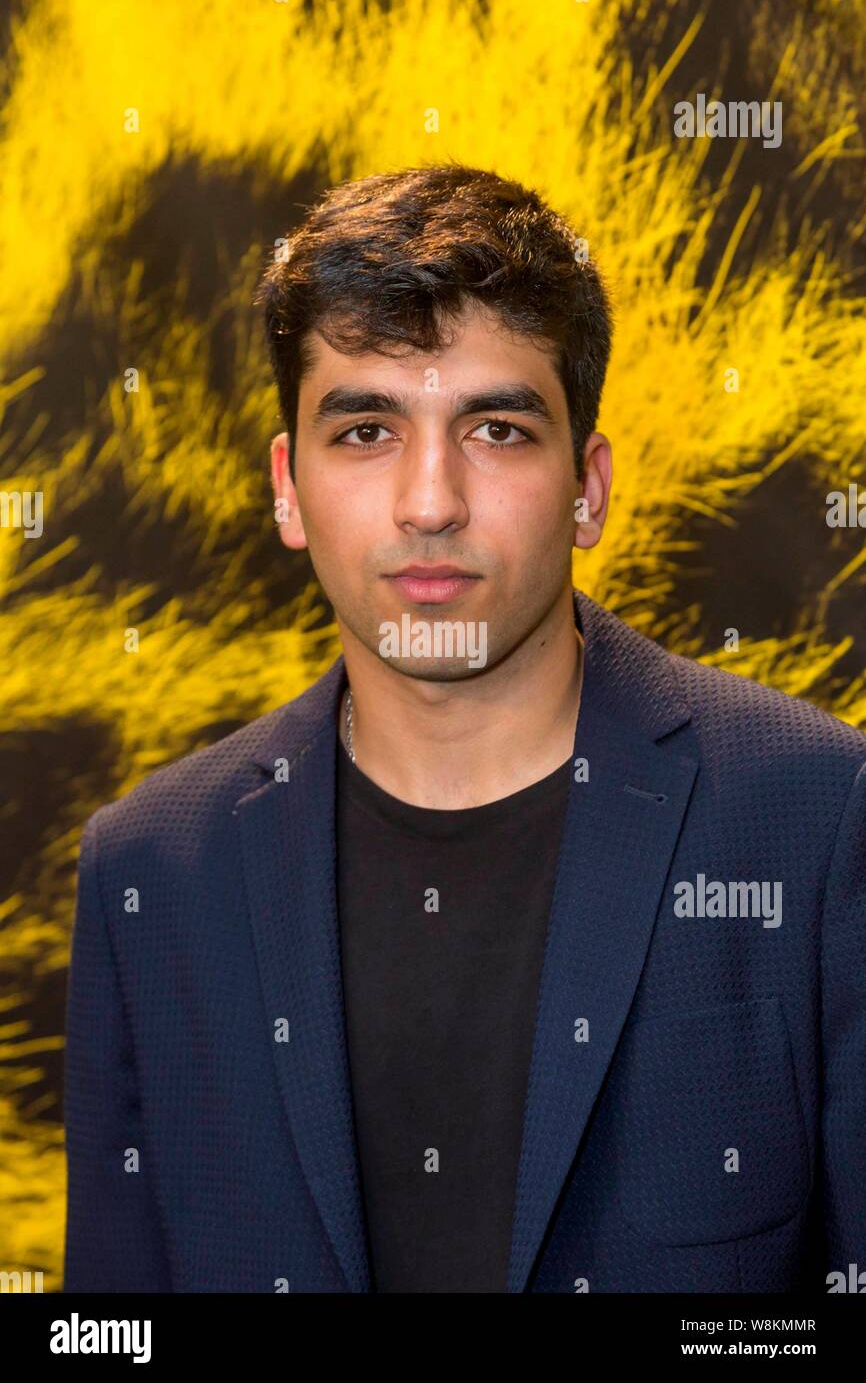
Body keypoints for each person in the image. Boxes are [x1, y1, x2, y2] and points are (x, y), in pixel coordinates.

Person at [63, 164, 866, 1293]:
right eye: (366, 431)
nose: (429, 501)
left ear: (587, 489)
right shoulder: (151, 868)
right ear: (286, 489)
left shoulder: (819, 818)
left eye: (493, 428)